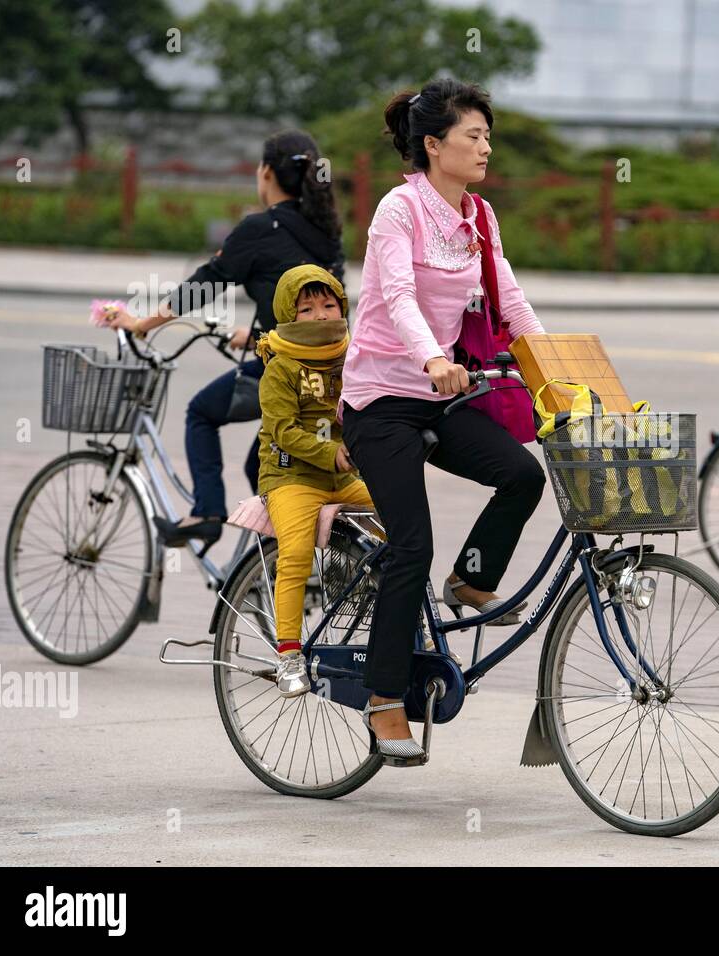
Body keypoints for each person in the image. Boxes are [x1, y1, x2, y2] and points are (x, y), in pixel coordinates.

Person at [339, 79, 547, 759]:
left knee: (520, 472)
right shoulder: (398, 211)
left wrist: (561, 376)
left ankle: (473, 581)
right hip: (381, 400)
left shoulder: (479, 217)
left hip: (442, 395)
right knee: (410, 545)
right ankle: (384, 698)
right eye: (473, 135)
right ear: (434, 145)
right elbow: (396, 296)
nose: (486, 146)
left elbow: (510, 303)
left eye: (488, 135)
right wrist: (432, 357)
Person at [106, 130, 345, 547]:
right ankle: (283, 556)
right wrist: (255, 336)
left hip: (284, 372)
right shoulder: (322, 229)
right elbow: (295, 302)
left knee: (200, 413)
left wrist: (142, 324)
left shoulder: (260, 227)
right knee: (263, 464)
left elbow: (206, 284)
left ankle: (208, 513)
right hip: (329, 372)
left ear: (266, 173)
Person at [254, 264, 374, 699]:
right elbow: (283, 430)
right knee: (297, 553)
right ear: (288, 316)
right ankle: (287, 654)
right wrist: (331, 453)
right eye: (307, 309)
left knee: (396, 520)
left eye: (329, 305)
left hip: (343, 475)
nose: (322, 315)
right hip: (291, 477)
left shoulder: (352, 354)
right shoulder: (281, 366)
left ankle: (363, 600)